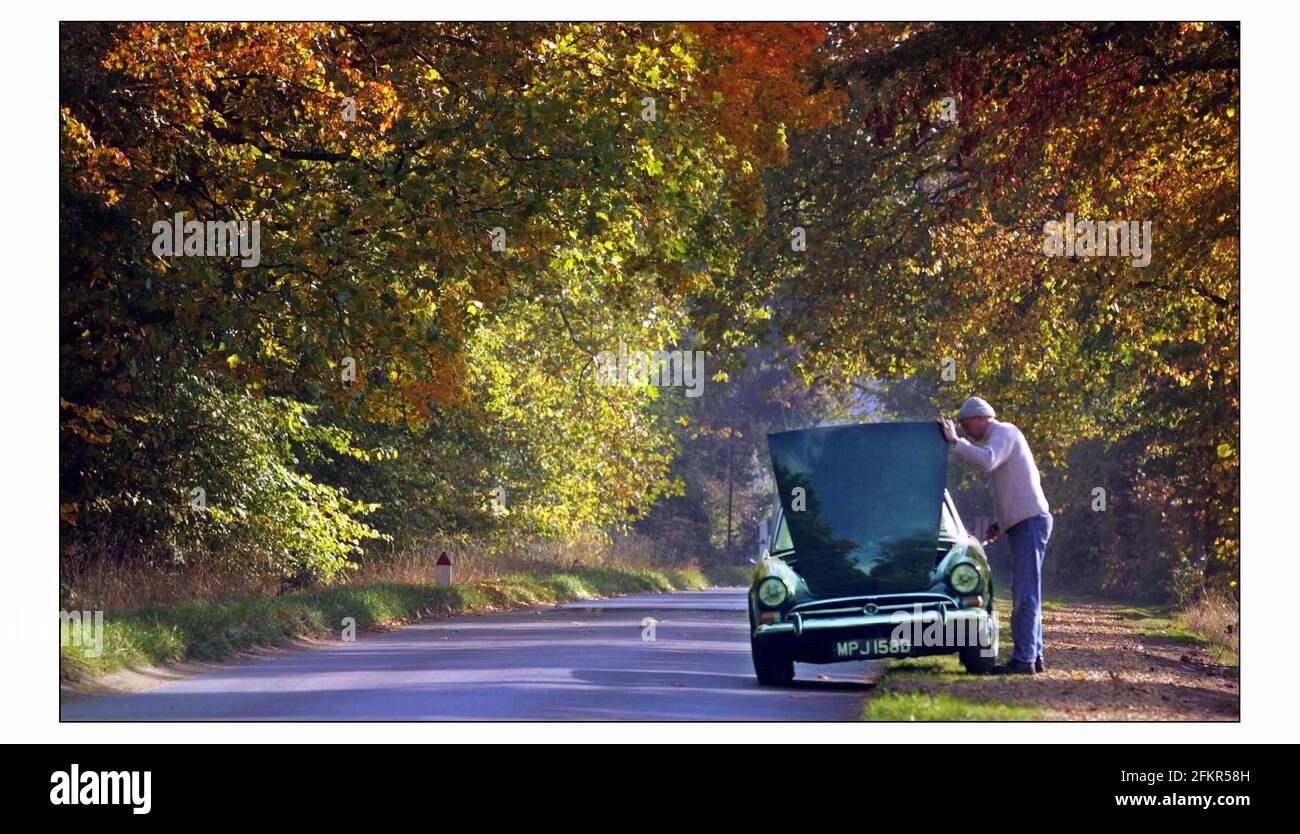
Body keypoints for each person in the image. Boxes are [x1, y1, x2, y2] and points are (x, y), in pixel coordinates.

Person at [938, 397, 1052, 674]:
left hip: (1030, 522)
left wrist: (955, 442)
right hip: (1023, 522)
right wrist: (1000, 522)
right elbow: (1017, 486)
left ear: (980, 418)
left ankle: (1024, 659)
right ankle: (1033, 657)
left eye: (965, 425)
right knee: (1026, 590)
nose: (966, 431)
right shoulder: (1003, 435)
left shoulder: (1004, 432)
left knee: (1025, 593)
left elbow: (988, 461)